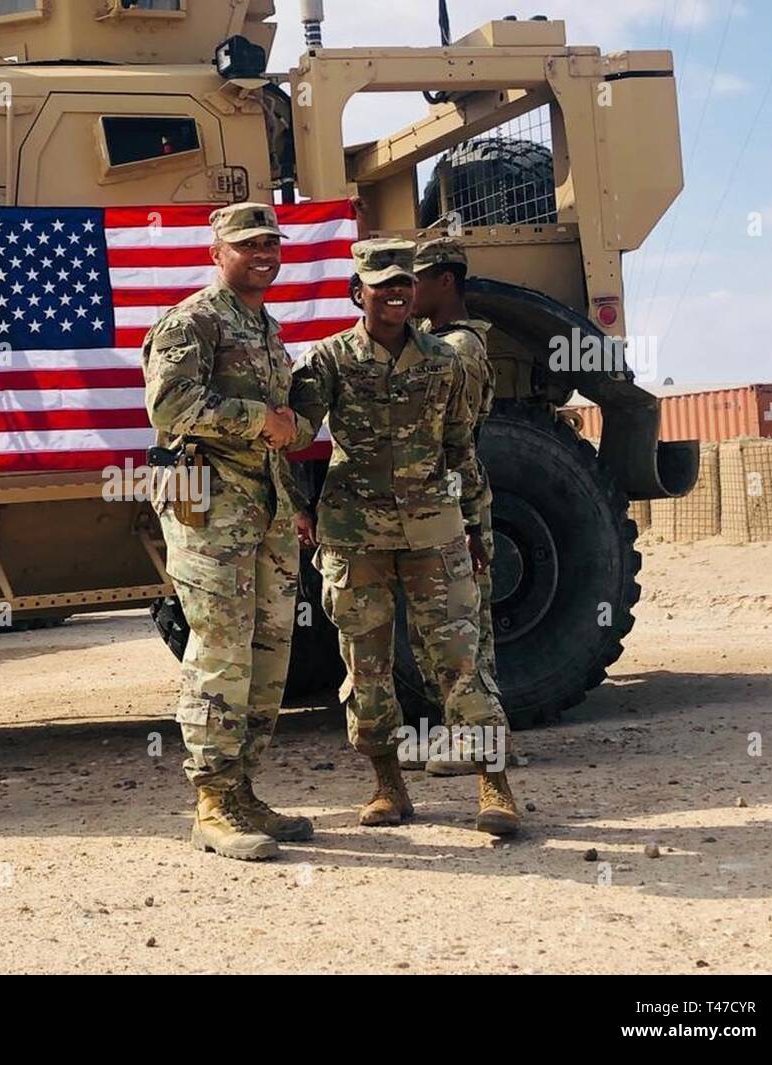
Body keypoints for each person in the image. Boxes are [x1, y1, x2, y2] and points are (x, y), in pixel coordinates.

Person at [288, 238, 520, 836]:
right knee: (366, 664)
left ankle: (493, 786)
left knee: (461, 658)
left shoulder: (445, 360)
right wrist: (296, 507)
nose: (395, 291)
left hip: (434, 529)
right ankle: (387, 785)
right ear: (356, 292)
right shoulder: (330, 360)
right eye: (382, 282)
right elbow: (292, 437)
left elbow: (460, 448)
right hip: (354, 534)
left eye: (404, 283)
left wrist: (473, 523)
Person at [142, 202, 311, 861]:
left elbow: (278, 435)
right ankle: (211, 802)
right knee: (220, 650)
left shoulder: (266, 326)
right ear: (219, 252)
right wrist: (258, 418)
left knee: (270, 649)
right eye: (248, 244)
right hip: (208, 506)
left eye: (271, 242)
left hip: (263, 511)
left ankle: (242, 790)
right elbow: (169, 404)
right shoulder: (194, 320)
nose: (263, 253)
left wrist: (293, 500)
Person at [409, 237, 497, 694]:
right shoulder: (437, 343)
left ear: (445, 281)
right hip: (445, 499)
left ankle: (482, 738)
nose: (406, 290)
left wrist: (464, 516)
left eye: (414, 280)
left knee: (464, 627)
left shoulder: (458, 348)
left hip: (453, 498)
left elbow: (455, 437)